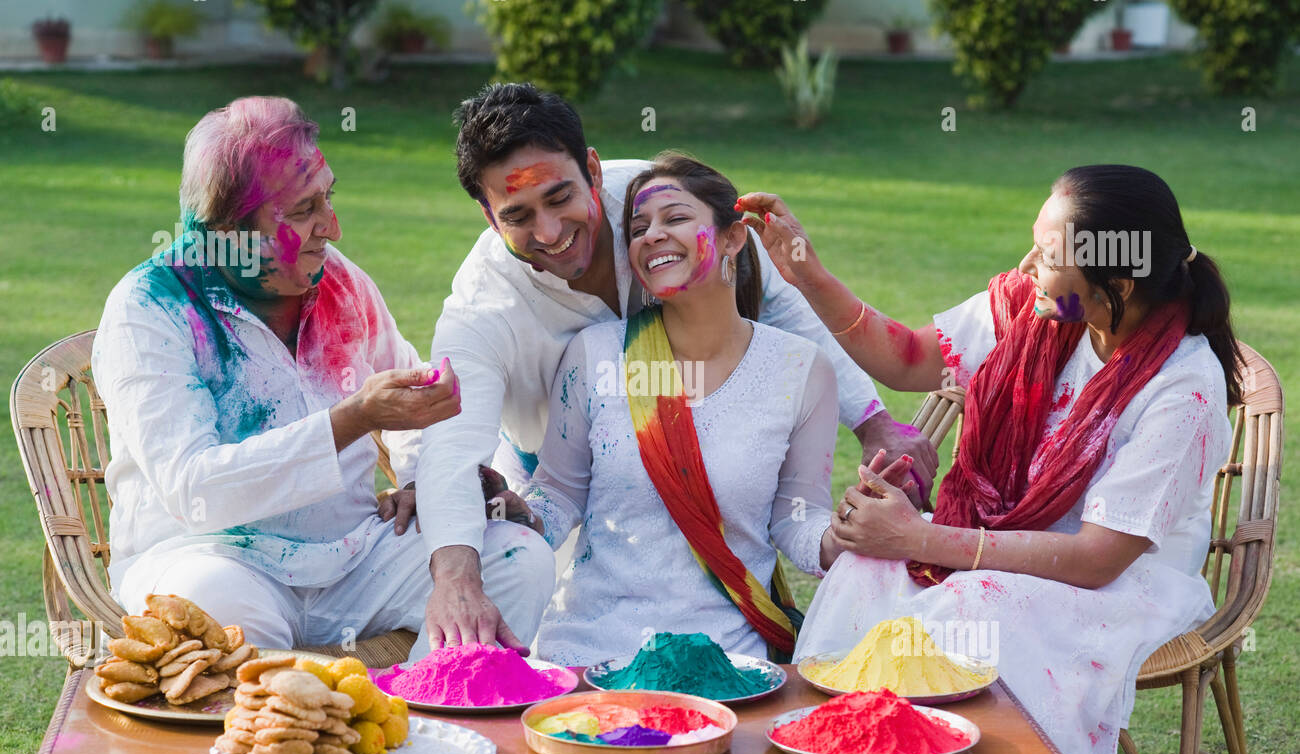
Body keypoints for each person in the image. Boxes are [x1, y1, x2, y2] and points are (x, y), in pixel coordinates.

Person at [738, 165, 1238, 754]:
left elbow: (1098, 558)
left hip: (1122, 584)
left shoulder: (1184, 389)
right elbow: (904, 358)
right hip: (999, 550)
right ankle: (844, 746)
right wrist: (806, 275)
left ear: (1120, 285)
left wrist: (919, 536)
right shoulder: (1034, 310)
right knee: (862, 571)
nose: (1027, 266)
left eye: (1048, 253)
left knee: (974, 607)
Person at [416, 83, 936, 652]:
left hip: (726, 645)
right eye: (517, 215)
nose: (548, 232)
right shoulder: (497, 308)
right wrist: (460, 574)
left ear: (592, 171)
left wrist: (873, 434)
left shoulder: (651, 201)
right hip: (557, 499)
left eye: (559, 197)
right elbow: (462, 444)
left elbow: (787, 308)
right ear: (490, 218)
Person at [93, 96, 554, 654]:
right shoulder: (150, 308)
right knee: (211, 602)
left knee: (515, 558)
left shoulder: (340, 281)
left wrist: (419, 480)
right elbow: (196, 492)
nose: (331, 227)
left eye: (328, 198)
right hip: (213, 555)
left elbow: (417, 400)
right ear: (229, 229)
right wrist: (353, 418)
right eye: (304, 210)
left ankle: (433, 723)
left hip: (353, 556)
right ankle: (278, 732)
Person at [491, 154, 887, 665]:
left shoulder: (801, 371)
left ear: (733, 238)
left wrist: (844, 536)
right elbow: (560, 493)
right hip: (589, 652)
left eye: (674, 218)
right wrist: (517, 511)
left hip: (727, 661)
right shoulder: (596, 355)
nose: (651, 235)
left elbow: (796, 519)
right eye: (637, 228)